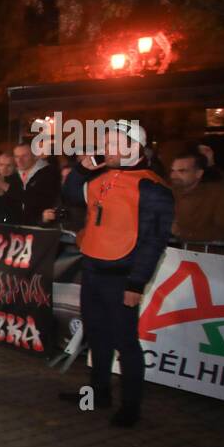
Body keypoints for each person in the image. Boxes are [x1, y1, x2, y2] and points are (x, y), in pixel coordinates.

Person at [59, 120, 174, 428]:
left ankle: (131, 406)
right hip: (94, 268)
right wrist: (83, 169)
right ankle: (98, 393)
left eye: (112, 144)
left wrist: (137, 282)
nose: (104, 149)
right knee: (96, 334)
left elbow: (154, 241)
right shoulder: (100, 176)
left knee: (125, 341)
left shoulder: (152, 186)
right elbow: (70, 195)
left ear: (134, 148)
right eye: (104, 143)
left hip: (122, 275)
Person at [168, 151, 224, 242]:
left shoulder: (220, 194)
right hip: (178, 252)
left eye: (182, 171)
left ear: (198, 173)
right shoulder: (169, 193)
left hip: (211, 253)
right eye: (172, 170)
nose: (174, 175)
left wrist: (181, 232)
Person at [10, 142, 61, 226]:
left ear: (35, 156)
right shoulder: (13, 175)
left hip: (41, 228)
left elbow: (38, 199)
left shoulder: (49, 174)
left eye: (24, 156)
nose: (19, 160)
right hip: (15, 229)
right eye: (16, 156)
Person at [0, 151, 21, 224]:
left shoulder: (19, 183)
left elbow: (14, 211)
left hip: (9, 226)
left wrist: (0, 193)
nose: (4, 169)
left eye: (9, 166)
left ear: (15, 166)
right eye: (1, 165)